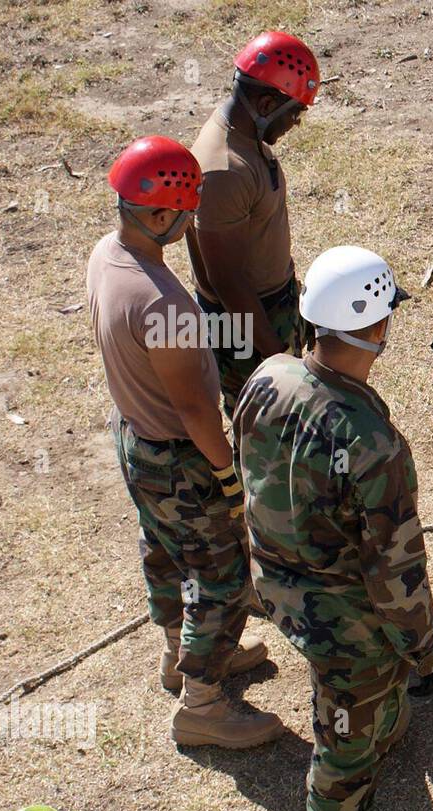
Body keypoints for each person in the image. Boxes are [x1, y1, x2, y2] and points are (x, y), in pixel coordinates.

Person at [234, 245, 433, 811]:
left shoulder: (267, 375)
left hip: (271, 575)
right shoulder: (371, 443)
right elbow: (396, 570)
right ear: (377, 329)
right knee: (346, 716)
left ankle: (380, 719)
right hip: (336, 613)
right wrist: (422, 649)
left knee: (364, 703)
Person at [87, 136, 278, 749]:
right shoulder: (163, 304)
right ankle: (203, 706)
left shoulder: (105, 256)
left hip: (132, 439)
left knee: (164, 548)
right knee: (219, 577)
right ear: (164, 216)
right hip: (175, 455)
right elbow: (197, 411)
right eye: (186, 212)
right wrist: (228, 476)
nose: (192, 221)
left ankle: (177, 655)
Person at [186, 30, 320, 417]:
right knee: (264, 425)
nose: (295, 123)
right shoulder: (224, 170)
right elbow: (226, 282)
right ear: (265, 103)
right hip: (247, 326)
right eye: (294, 112)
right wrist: (275, 353)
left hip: (269, 308)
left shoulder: (246, 135)